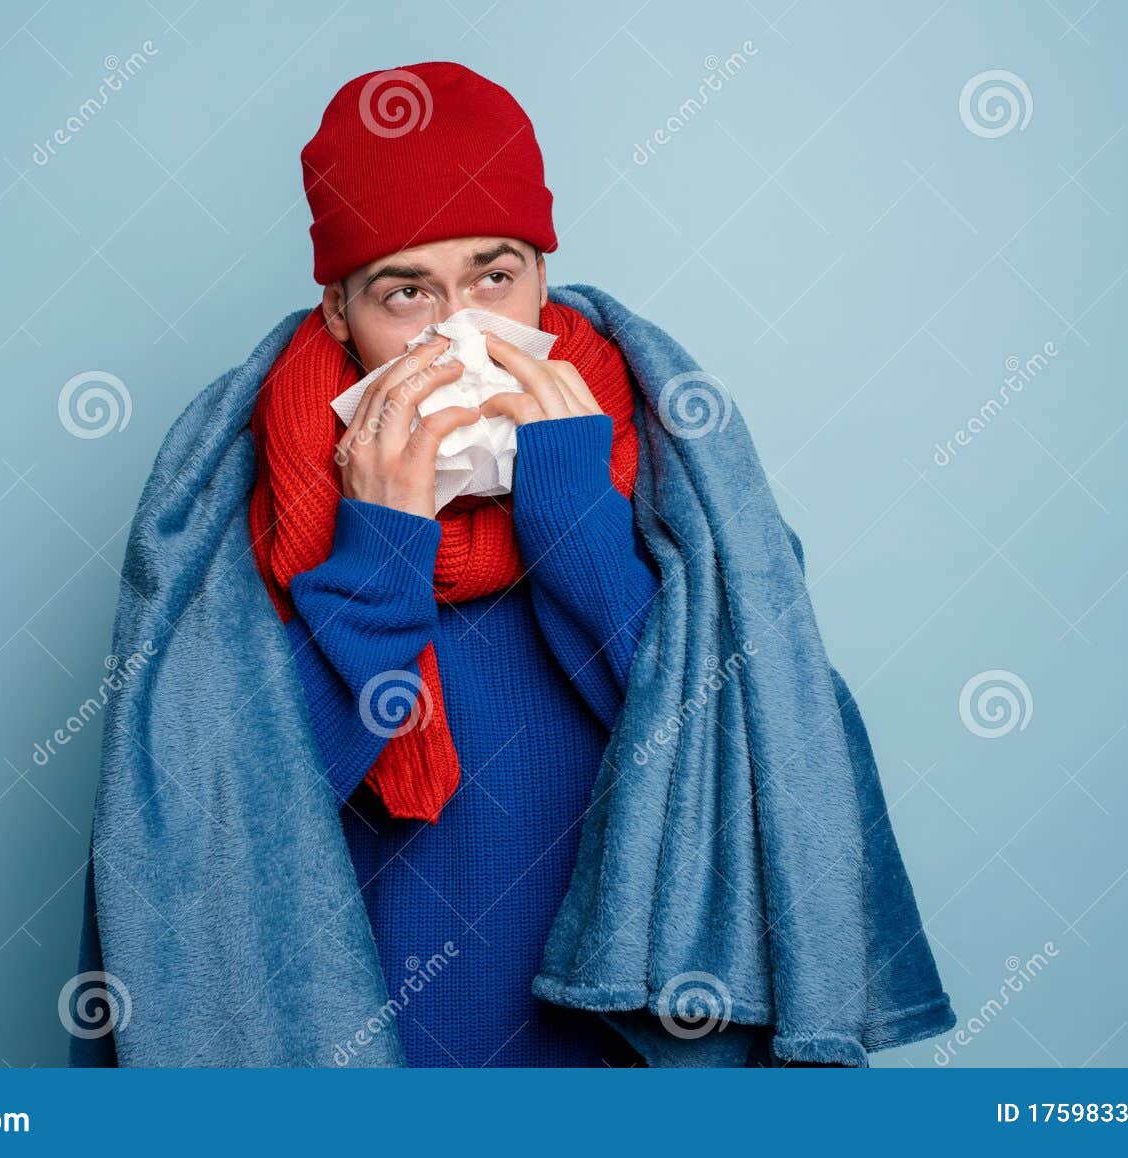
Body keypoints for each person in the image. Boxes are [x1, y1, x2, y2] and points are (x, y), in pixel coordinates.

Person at [246, 60, 660, 1066]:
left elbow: (703, 739)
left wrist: (568, 501)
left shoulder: (663, 465)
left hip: (617, 1051)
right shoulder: (249, 505)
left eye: (493, 276)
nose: (462, 330)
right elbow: (246, 816)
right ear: (341, 316)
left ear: (541, 280)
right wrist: (381, 542)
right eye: (406, 292)